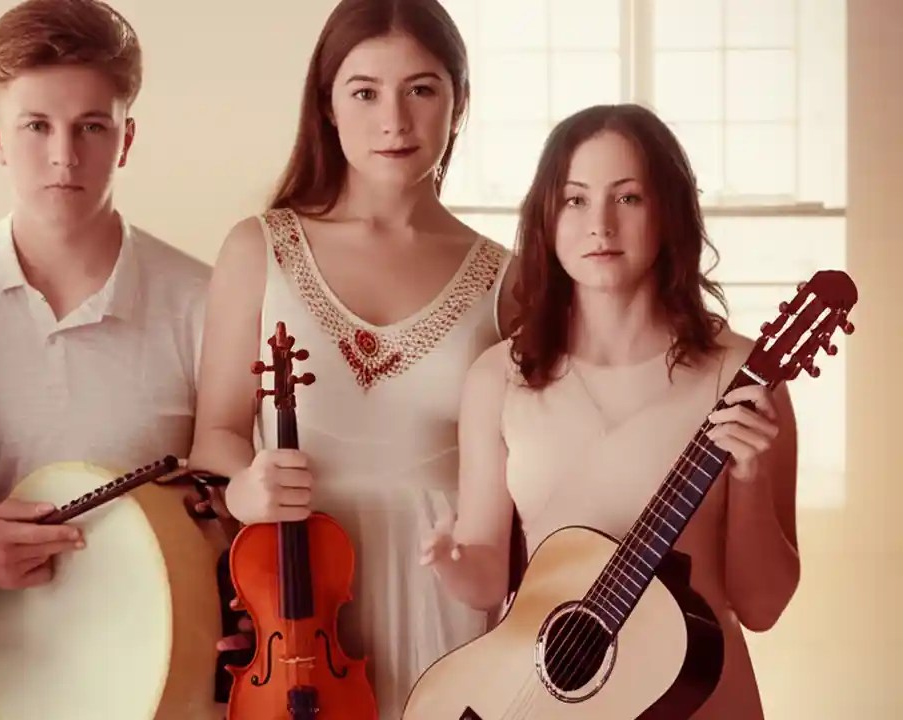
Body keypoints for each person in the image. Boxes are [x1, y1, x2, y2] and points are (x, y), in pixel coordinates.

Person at [0, 1, 227, 718]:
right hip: (4, 673)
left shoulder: (207, 300)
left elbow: (229, 498)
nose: (64, 155)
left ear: (126, 138)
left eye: (91, 127)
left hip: (168, 674)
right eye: (36, 126)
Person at [187, 0, 519, 715]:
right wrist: (243, 493)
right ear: (329, 107)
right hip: (297, 600)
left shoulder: (507, 278)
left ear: (460, 104)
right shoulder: (258, 249)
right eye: (364, 91)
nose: (393, 120)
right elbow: (214, 433)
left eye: (421, 89)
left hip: (445, 600)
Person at [421, 103, 801, 718]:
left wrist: (752, 483)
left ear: (668, 213)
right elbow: (489, 584)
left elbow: (762, 608)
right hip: (552, 700)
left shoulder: (742, 375)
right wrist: (449, 561)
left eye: (627, 198)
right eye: (574, 200)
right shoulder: (498, 378)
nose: (600, 224)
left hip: (697, 695)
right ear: (546, 217)